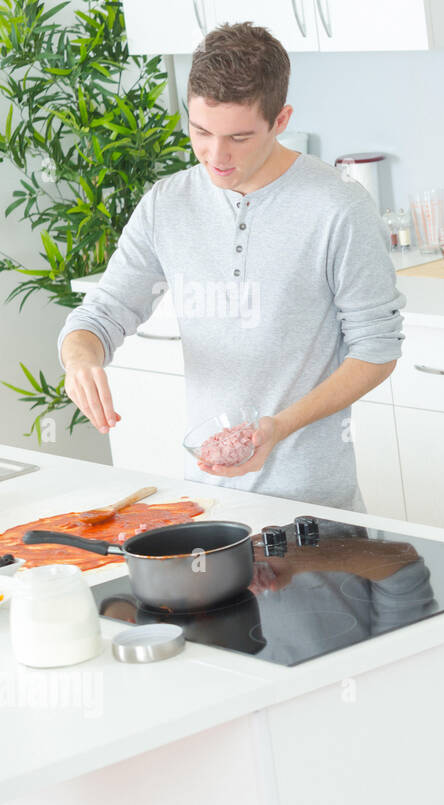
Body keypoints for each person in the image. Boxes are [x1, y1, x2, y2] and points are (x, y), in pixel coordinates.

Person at [57, 22, 403, 511]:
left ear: (280, 120)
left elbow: (377, 350)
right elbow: (100, 315)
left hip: (316, 506)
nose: (216, 156)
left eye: (239, 137)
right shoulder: (167, 204)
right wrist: (81, 359)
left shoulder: (337, 206)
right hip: (206, 501)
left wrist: (278, 428)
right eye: (201, 132)